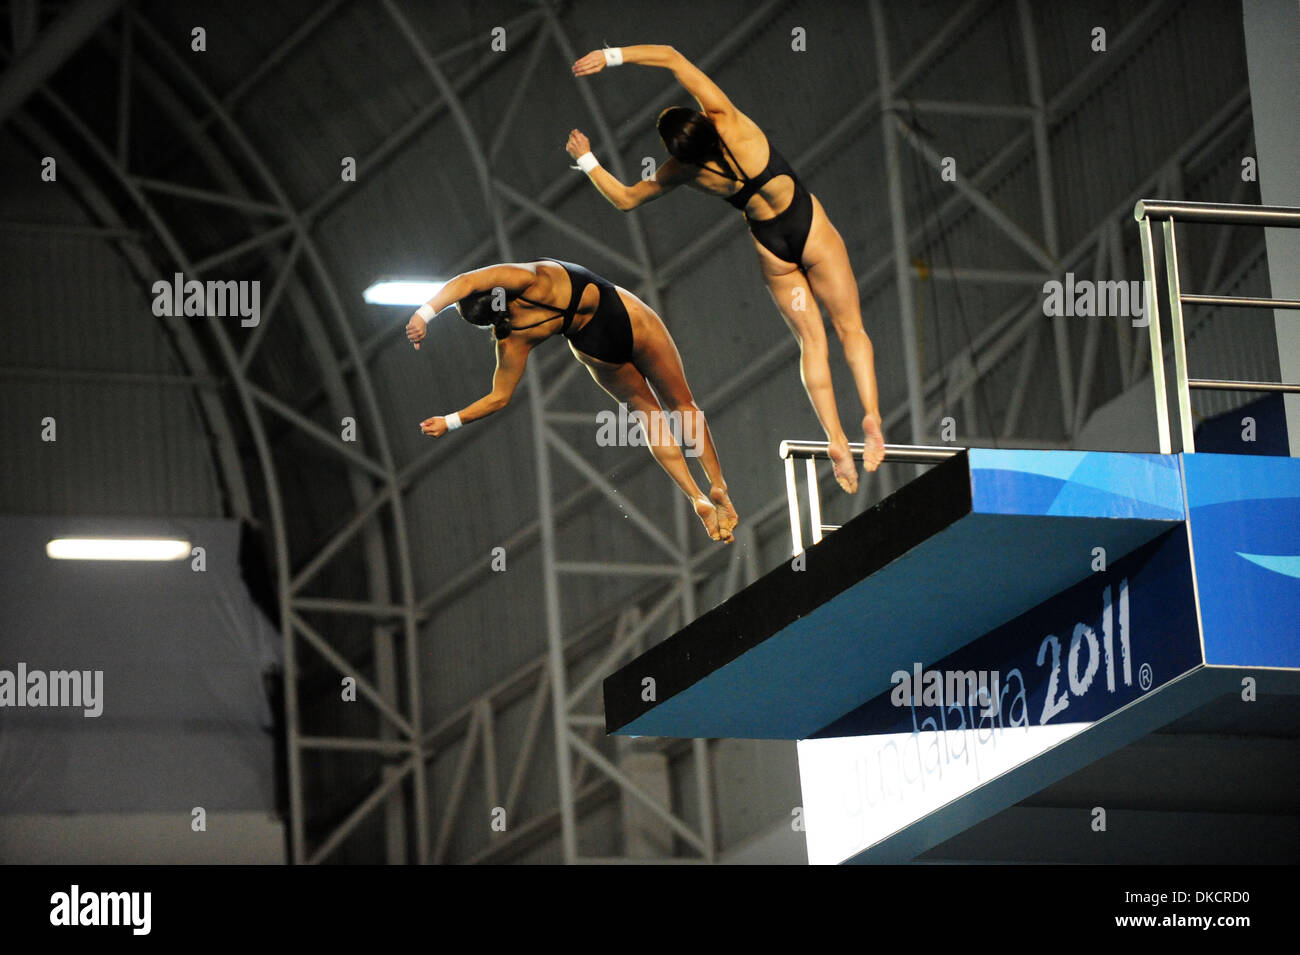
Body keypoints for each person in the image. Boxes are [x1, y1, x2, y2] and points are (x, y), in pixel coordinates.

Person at [567, 43, 886, 494]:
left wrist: (586, 157)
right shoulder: (726, 118)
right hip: (810, 229)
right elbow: (672, 56)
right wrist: (612, 56)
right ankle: (871, 417)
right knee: (850, 329)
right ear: (701, 119)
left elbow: (625, 199)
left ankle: (836, 438)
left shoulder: (682, 171)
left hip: (774, 251)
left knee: (811, 342)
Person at [405, 258, 738, 542]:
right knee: (682, 405)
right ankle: (717, 485)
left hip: (595, 350)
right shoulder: (529, 278)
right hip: (627, 316)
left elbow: (499, 398)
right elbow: (464, 282)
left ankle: (695, 496)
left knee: (648, 415)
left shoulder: (513, 340)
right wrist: (423, 315)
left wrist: (449, 421)